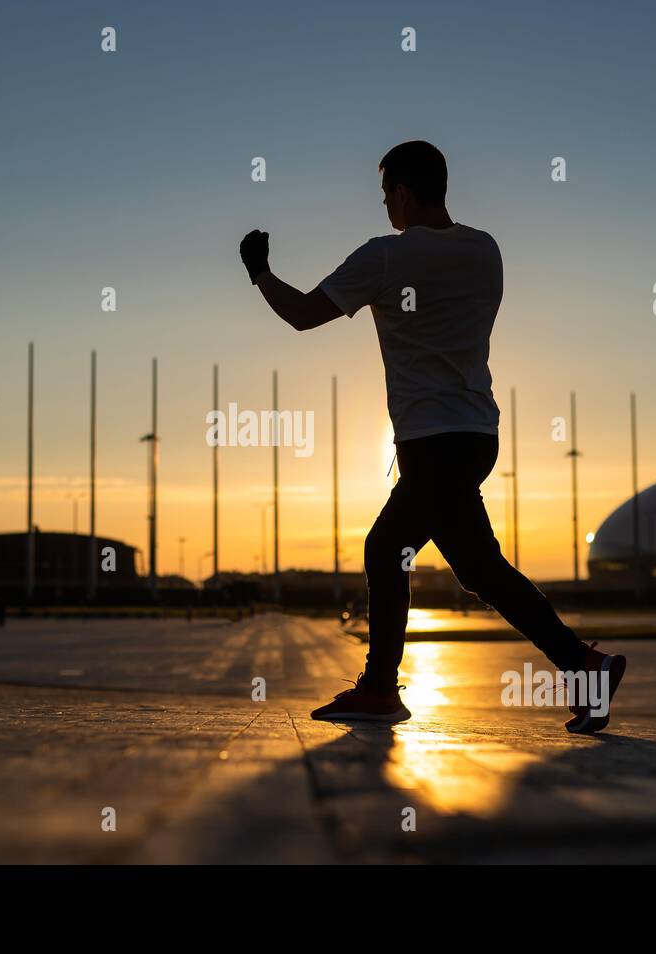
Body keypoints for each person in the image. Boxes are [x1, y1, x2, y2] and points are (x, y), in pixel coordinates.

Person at [238, 140, 625, 733]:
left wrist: (260, 272)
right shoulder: (485, 250)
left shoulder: (386, 257)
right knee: (479, 569)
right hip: (476, 434)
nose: (385, 205)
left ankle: (379, 689)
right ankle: (583, 666)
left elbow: (303, 314)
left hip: (430, 440)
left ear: (405, 191)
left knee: (387, 547)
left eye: (387, 194)